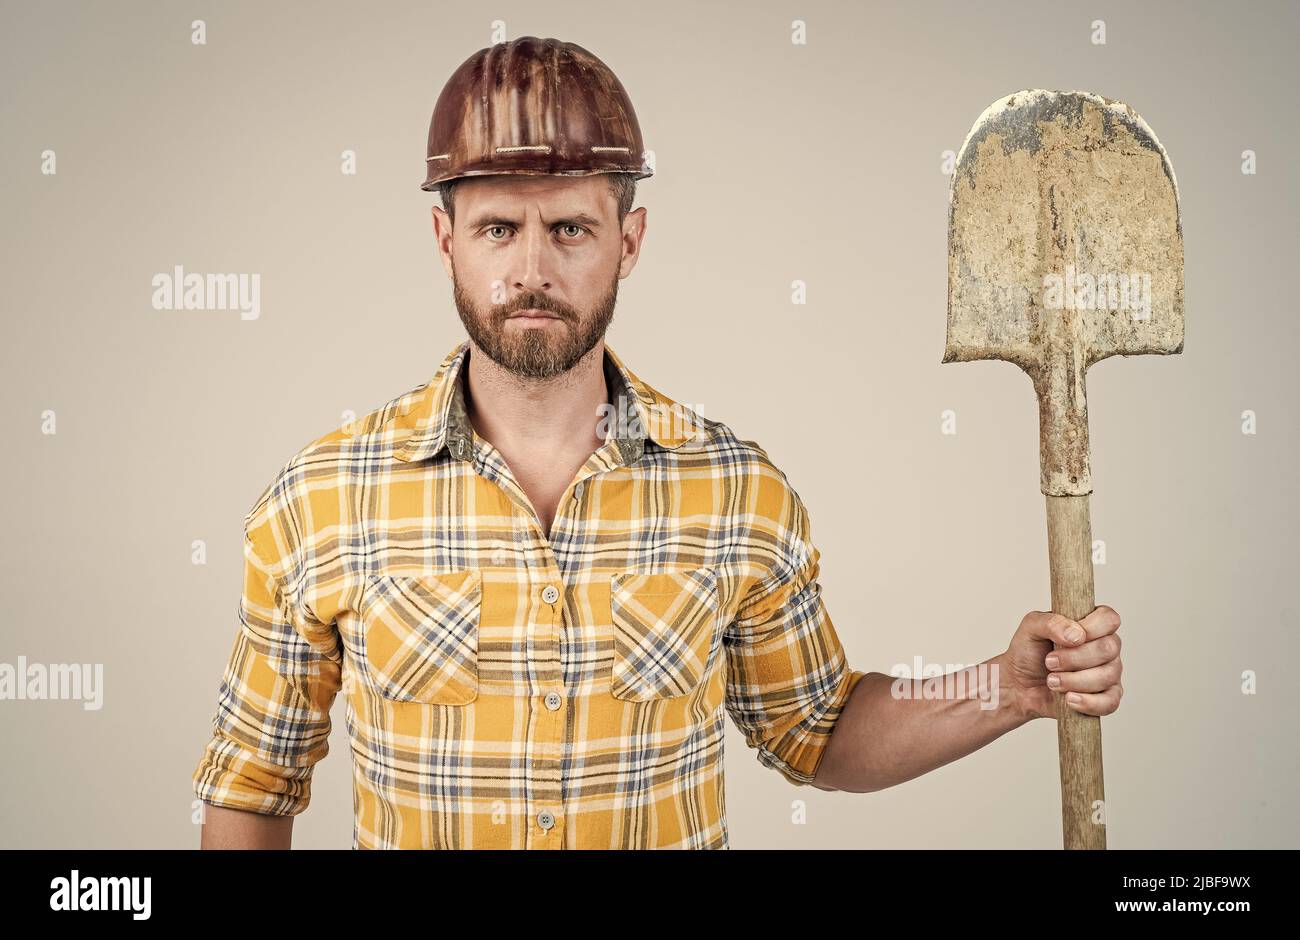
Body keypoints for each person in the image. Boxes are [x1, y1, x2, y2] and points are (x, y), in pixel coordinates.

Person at [192, 36, 1123, 850]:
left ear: (628, 240)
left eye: (569, 229)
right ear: (446, 240)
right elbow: (253, 786)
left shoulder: (735, 492)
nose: (530, 269)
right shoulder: (319, 502)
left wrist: (1007, 688)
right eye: (496, 229)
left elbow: (820, 731)